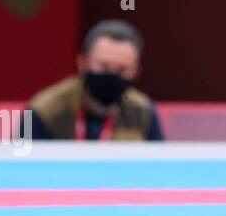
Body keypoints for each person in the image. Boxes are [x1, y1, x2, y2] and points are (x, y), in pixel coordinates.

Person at [25, 19, 164, 141]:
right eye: (103, 66)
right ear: (82, 62)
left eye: (121, 69)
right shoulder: (46, 110)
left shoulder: (143, 112)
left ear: (136, 71)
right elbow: (22, 166)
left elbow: (159, 167)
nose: (111, 75)